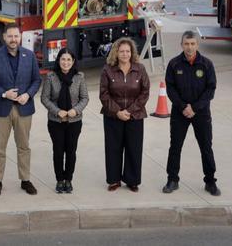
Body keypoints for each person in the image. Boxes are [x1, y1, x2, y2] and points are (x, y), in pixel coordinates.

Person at [0, 23, 42, 196]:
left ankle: (25, 180)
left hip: (24, 108)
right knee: (0, 148)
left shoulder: (29, 56)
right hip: (1, 109)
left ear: (20, 37)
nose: (13, 39)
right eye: (10, 36)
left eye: (16, 36)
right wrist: (3, 94)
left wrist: (28, 95)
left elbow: (36, 80)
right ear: (4, 37)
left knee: (24, 146)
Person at [163, 29, 219, 196]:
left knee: (206, 147)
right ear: (181, 45)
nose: (189, 47)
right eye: (186, 44)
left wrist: (194, 108)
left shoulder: (207, 64)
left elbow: (211, 89)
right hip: (180, 112)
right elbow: (170, 89)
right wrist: (183, 107)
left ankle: (210, 181)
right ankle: (172, 180)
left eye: (192, 44)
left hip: (201, 113)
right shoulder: (174, 64)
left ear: (197, 44)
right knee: (175, 146)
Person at [99, 37, 150, 192]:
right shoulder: (107, 70)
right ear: (116, 52)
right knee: (113, 148)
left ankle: (132, 180)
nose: (125, 54)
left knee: (134, 148)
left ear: (132, 52)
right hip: (113, 116)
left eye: (128, 51)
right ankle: (114, 180)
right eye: (122, 51)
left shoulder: (140, 69)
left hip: (135, 115)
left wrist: (129, 111)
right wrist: (118, 112)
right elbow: (104, 94)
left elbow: (145, 92)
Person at [39, 49, 88, 194]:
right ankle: (59, 180)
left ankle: (69, 180)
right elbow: (44, 98)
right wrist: (57, 111)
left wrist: (76, 110)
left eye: (68, 60)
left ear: (73, 62)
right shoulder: (51, 77)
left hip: (74, 121)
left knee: (71, 151)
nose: (65, 62)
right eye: (63, 59)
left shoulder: (79, 77)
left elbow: (84, 98)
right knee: (58, 151)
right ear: (58, 61)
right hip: (56, 121)